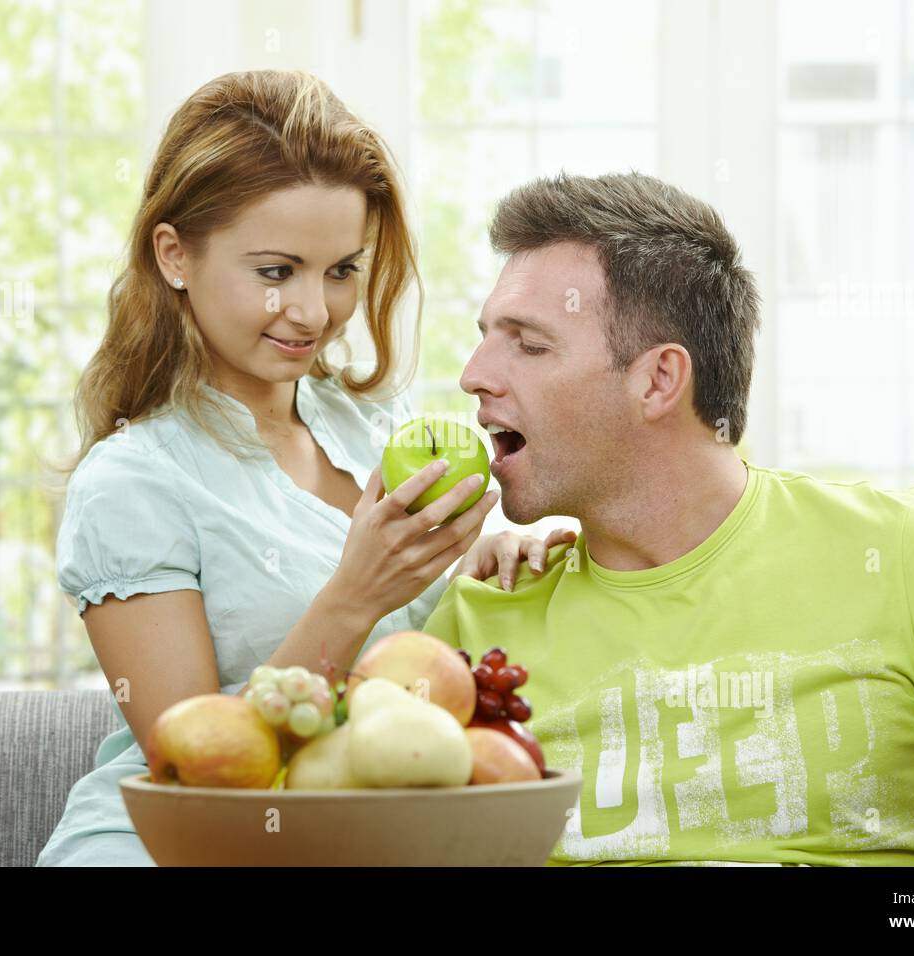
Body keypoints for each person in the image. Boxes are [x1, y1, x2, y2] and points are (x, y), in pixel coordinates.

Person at [422, 170, 914, 866]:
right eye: (486, 337)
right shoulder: (480, 623)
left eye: (529, 345)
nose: (473, 374)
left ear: (659, 380)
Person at [36, 70, 572, 866]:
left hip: (358, 841)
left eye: (342, 270)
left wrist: (486, 560)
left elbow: (421, 661)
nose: (315, 313)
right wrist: (355, 595)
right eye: (276, 272)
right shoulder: (131, 484)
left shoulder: (377, 426)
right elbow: (197, 773)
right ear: (175, 255)